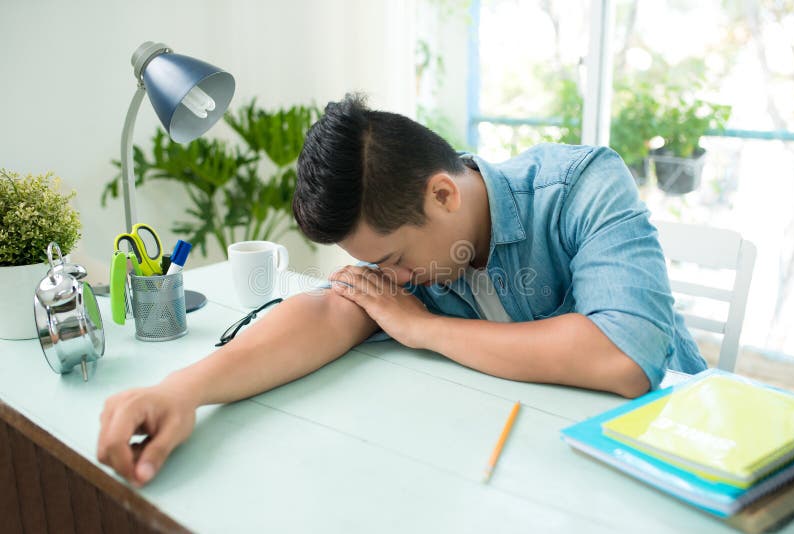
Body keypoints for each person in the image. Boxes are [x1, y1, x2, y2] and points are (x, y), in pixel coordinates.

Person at [97, 93, 707, 488]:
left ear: (443, 195)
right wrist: (182, 389)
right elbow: (328, 314)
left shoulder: (582, 184)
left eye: (392, 260)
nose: (389, 282)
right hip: (533, 466)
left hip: (678, 451)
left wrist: (424, 328)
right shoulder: (403, 256)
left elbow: (625, 356)